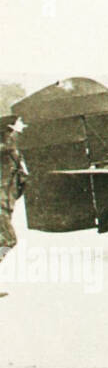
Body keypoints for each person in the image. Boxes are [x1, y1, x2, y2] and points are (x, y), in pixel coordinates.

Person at [0, 117, 29, 291]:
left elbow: (22, 180)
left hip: (6, 204)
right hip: (1, 205)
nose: (17, 135)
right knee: (8, 240)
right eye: (13, 132)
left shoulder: (12, 154)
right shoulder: (5, 152)